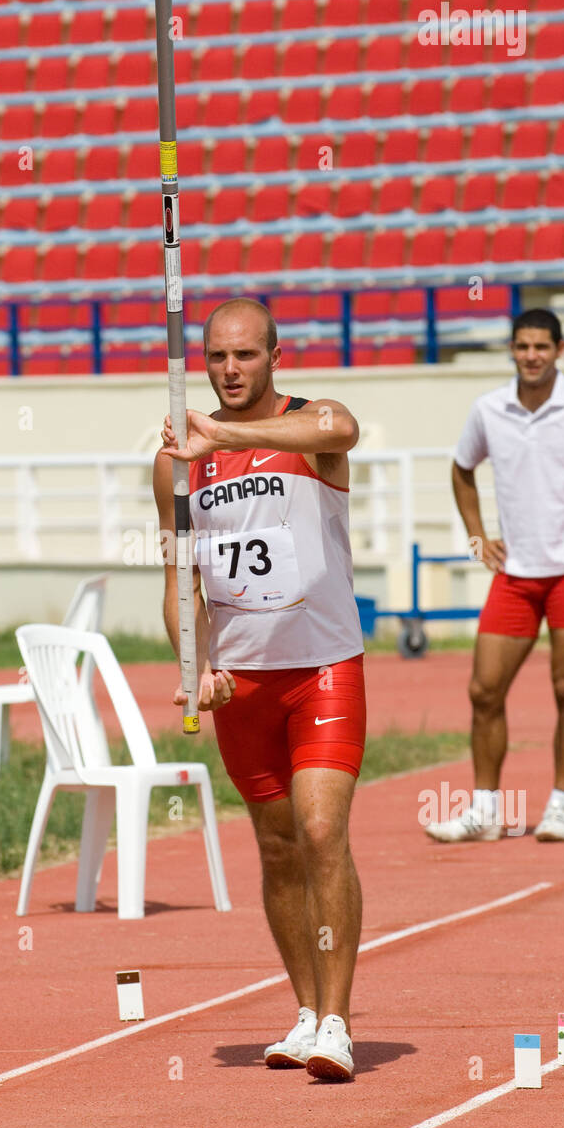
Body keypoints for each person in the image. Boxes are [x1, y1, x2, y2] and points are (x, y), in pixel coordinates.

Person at [153, 297, 366, 1080]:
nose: (230, 370)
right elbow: (180, 585)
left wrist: (224, 432)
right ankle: (306, 1009)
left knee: (318, 832)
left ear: (275, 355)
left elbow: (340, 431)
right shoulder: (177, 462)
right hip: (240, 685)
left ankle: (339, 1022)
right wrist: (193, 668)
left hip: (322, 669)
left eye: (244, 355)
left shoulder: (314, 426)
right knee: (277, 849)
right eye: (216, 357)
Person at [426, 307, 564, 844]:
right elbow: (462, 469)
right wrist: (478, 536)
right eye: (522, 346)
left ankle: (560, 804)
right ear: (511, 348)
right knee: (484, 690)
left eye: (542, 347)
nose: (532, 356)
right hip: (515, 575)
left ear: (561, 349)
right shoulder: (489, 410)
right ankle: (484, 809)